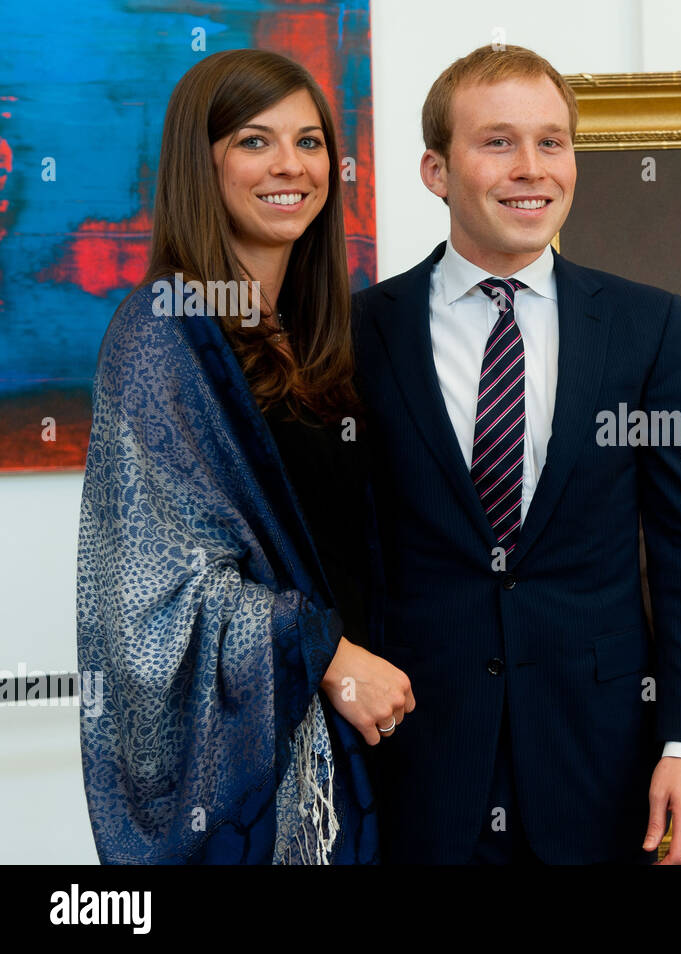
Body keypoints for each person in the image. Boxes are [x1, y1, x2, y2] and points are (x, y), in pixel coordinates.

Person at [352, 44, 681, 864]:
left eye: (552, 142)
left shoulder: (645, 326)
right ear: (435, 170)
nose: (532, 168)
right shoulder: (359, 334)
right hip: (416, 768)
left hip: (604, 775)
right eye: (497, 142)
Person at [76, 49, 414, 864]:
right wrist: (324, 655)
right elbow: (149, 598)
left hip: (373, 749)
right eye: (255, 142)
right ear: (205, 163)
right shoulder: (164, 332)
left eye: (308, 142)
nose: (291, 166)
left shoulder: (320, 333)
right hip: (268, 786)